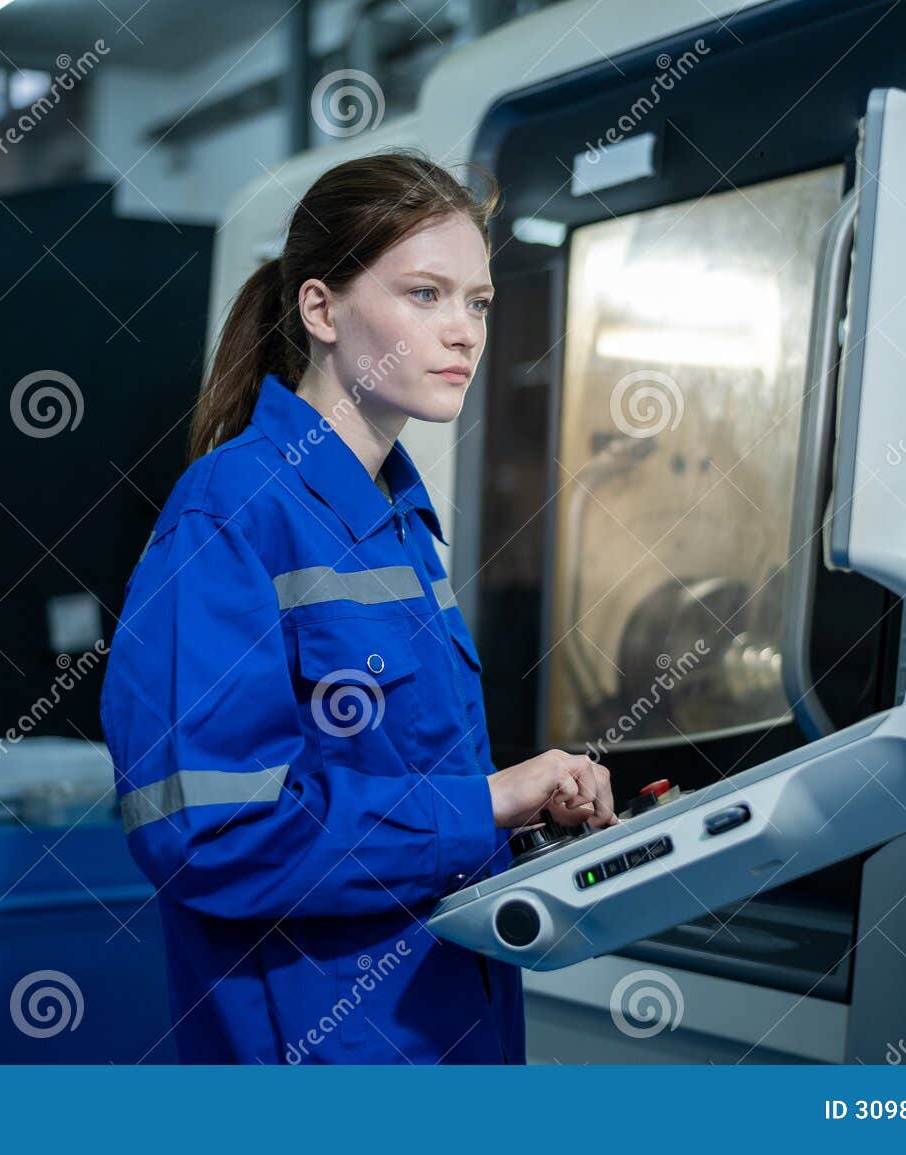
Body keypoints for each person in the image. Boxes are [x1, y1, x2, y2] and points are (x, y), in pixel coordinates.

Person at [99, 149, 617, 1065]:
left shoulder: (399, 520)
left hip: (449, 1030)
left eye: (479, 302)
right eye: (426, 294)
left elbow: (396, 779)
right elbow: (214, 832)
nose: (464, 332)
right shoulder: (235, 512)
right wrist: (485, 803)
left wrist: (523, 824)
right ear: (321, 308)